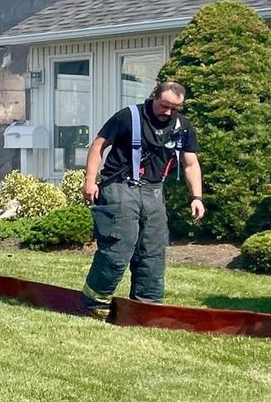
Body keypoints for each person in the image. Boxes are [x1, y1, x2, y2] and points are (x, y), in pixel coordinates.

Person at [79, 81, 203, 318]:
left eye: (174, 108)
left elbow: (190, 163)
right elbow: (98, 146)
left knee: (153, 251)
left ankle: (147, 307)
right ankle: (94, 303)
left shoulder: (182, 126)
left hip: (154, 192)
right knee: (119, 246)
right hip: (120, 187)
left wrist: (196, 197)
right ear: (154, 97)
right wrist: (90, 180)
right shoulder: (128, 117)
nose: (168, 112)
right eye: (164, 105)